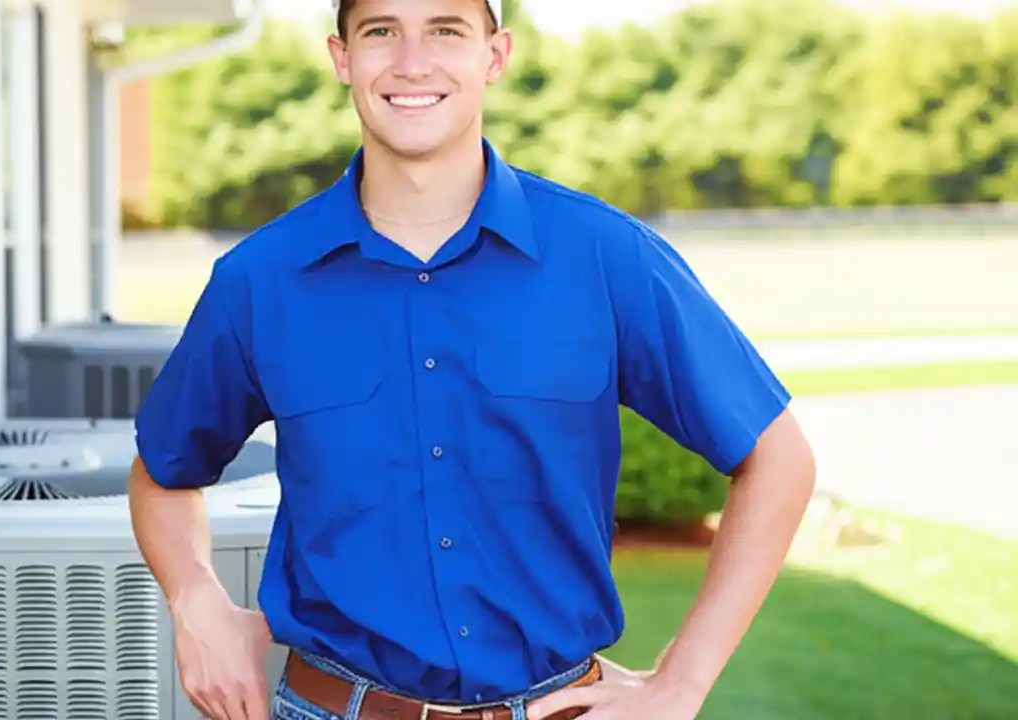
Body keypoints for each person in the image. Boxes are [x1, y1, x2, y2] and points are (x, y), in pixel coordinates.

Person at [128, 0, 817, 718]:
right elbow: (163, 471)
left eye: (447, 30)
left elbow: (779, 458)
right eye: (381, 31)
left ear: (495, 55)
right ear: (342, 58)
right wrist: (194, 598)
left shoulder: (606, 257)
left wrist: (682, 680)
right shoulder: (260, 280)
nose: (412, 61)